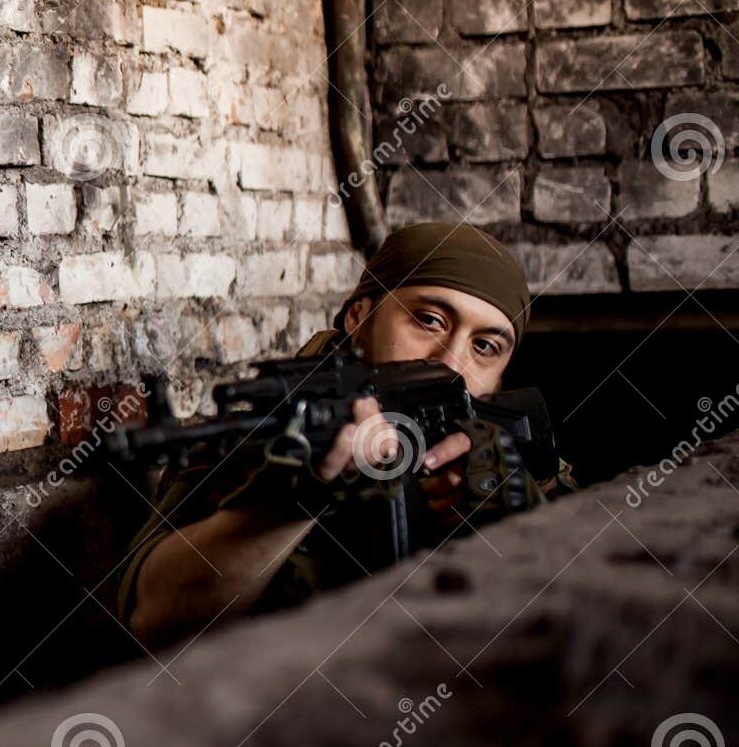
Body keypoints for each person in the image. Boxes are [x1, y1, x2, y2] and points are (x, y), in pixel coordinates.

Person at [117, 220, 579, 650]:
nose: (453, 363)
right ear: (359, 317)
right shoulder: (276, 436)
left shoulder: (501, 452)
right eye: (429, 321)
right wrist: (285, 504)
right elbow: (150, 619)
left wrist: (524, 520)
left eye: (485, 347)